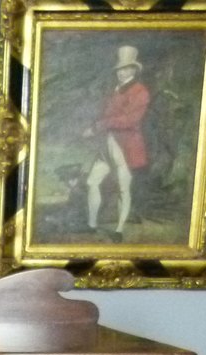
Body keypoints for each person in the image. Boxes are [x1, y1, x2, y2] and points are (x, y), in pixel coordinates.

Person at [83, 46, 151, 242]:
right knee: (92, 182)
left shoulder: (140, 91)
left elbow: (129, 120)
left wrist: (98, 126)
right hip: (108, 144)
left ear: (134, 70)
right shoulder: (114, 90)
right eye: (120, 69)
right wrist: (98, 129)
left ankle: (119, 230)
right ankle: (91, 224)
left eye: (127, 69)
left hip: (128, 146)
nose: (123, 72)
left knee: (123, 188)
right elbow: (109, 116)